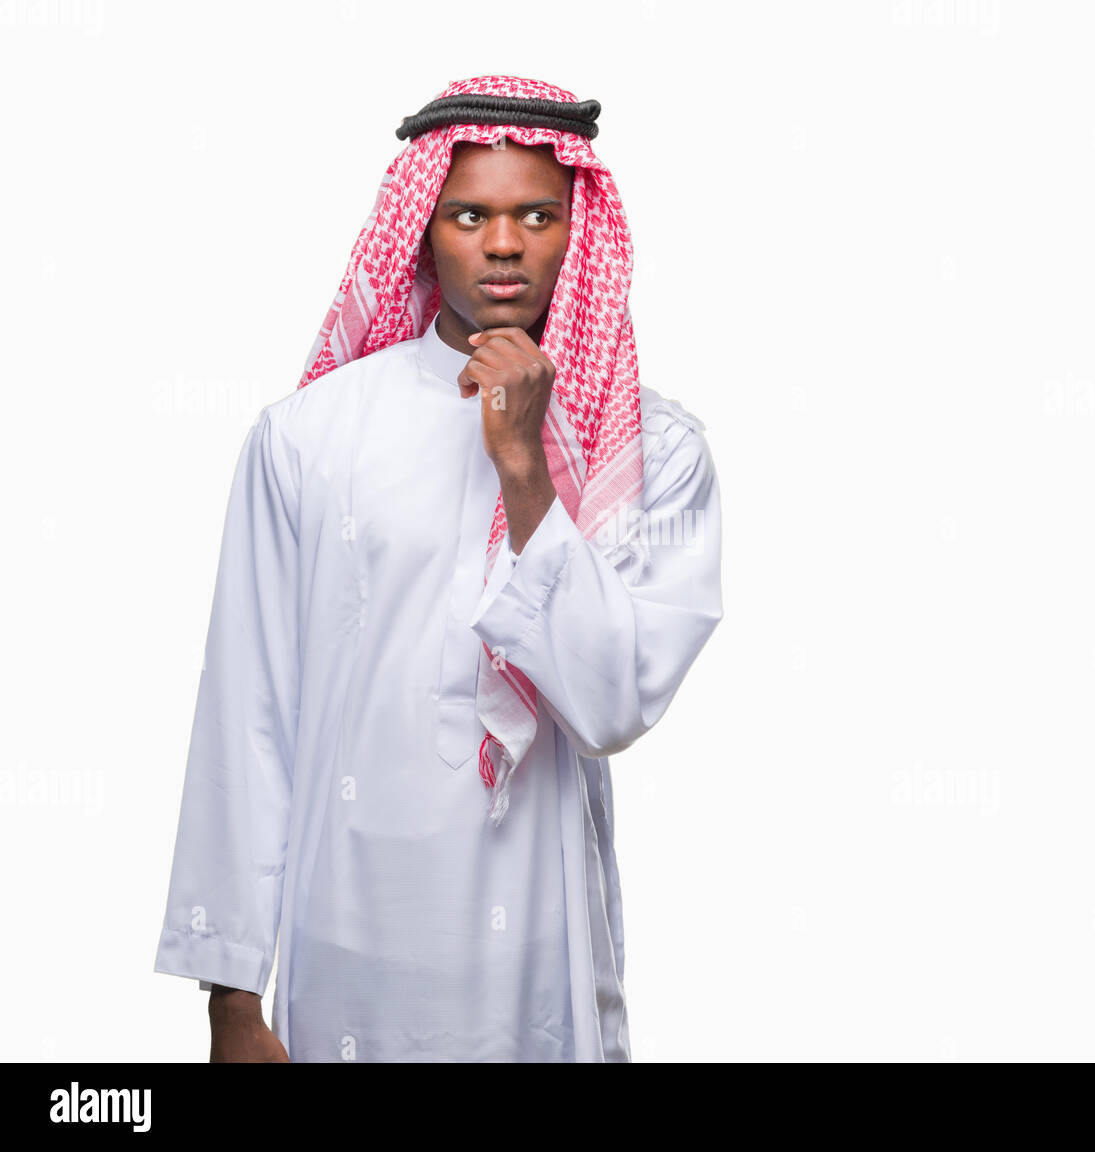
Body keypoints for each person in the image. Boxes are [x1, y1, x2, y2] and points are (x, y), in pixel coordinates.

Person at [151, 75, 723, 1062]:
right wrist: (233, 999)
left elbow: (610, 706)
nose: (503, 243)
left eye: (536, 215)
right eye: (470, 214)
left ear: (576, 228)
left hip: (538, 950)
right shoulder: (309, 436)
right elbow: (249, 716)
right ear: (422, 226)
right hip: (346, 940)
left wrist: (525, 468)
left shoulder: (653, 450)